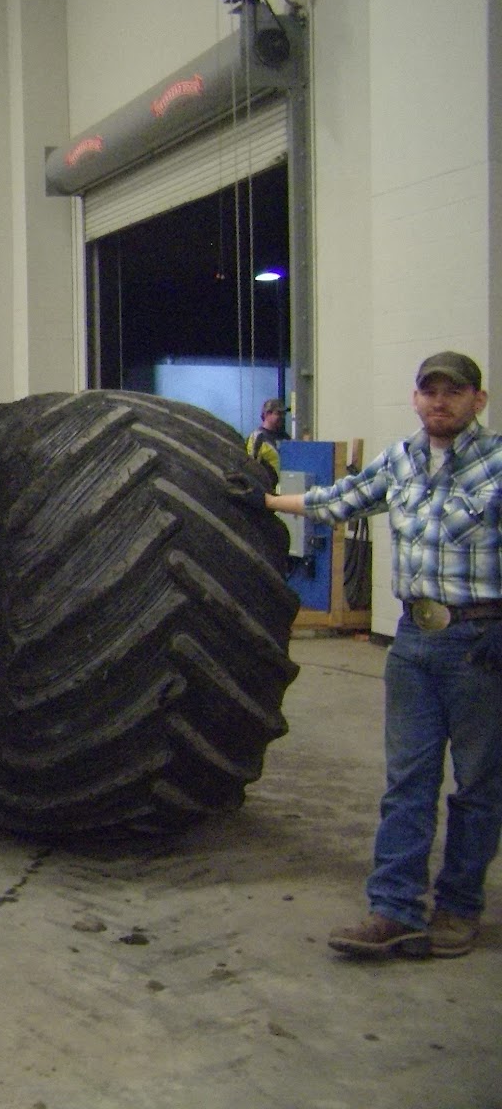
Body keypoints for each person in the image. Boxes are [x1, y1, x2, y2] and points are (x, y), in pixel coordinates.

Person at [265, 351, 502, 960]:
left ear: (478, 400)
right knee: (407, 783)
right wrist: (263, 502)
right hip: (413, 644)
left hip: (482, 644)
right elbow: (336, 501)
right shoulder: (400, 460)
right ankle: (394, 909)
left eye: (453, 392)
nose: (439, 401)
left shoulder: (499, 464)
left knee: (478, 786)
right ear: (416, 398)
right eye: (430, 391)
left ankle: (458, 907)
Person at [246, 396, 290, 482]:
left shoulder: (285, 437)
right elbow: (251, 465)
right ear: (267, 414)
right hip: (268, 485)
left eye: (284, 414)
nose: (282, 417)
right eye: (278, 414)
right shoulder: (257, 437)